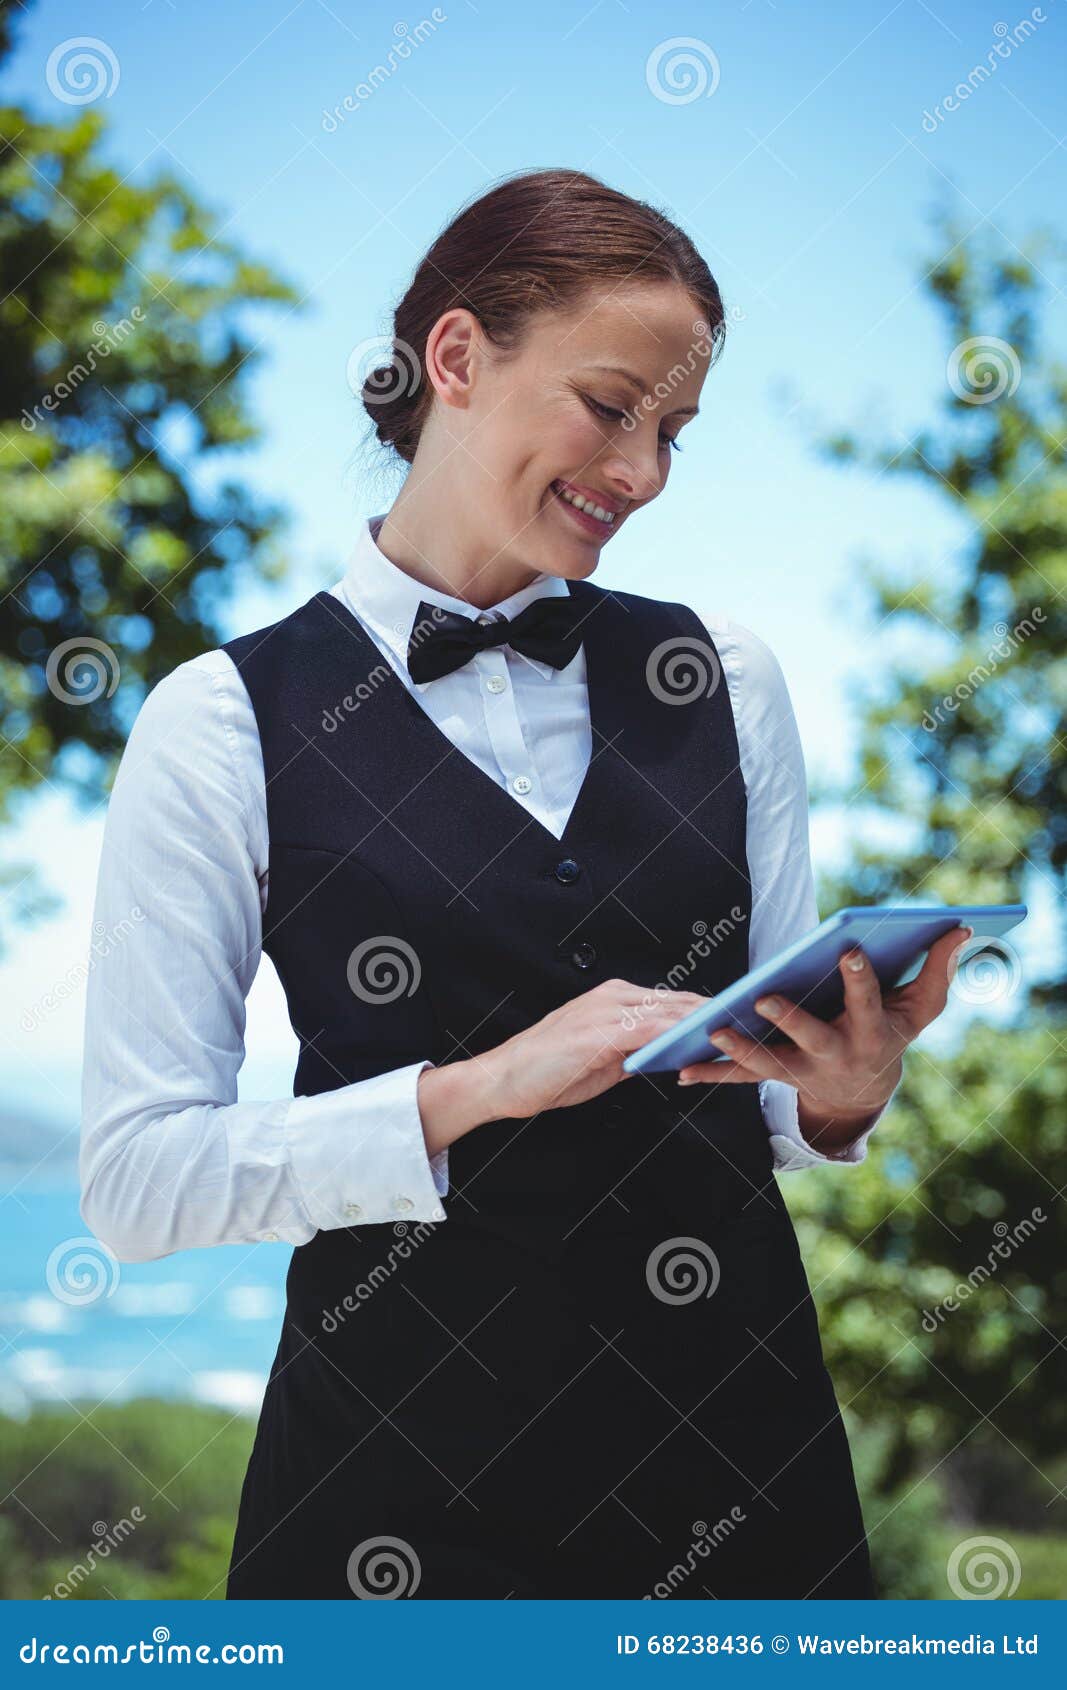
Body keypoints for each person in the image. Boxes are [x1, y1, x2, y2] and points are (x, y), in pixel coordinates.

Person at [80, 168, 970, 1600]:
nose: (645, 472)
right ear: (455, 358)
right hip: (393, 1502)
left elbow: (777, 1109)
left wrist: (844, 1094)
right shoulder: (222, 721)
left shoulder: (727, 680)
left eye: (674, 432)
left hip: (742, 1478)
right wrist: (475, 1090)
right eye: (612, 407)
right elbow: (137, 1182)